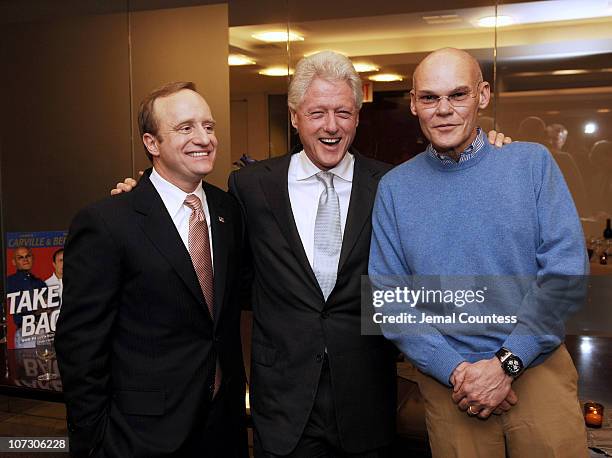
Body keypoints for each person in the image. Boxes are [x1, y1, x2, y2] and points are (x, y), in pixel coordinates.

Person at [111, 51, 509, 457]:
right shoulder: (249, 187)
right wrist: (147, 199)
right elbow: (219, 263)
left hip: (366, 401)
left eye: (344, 112)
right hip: (282, 405)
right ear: (294, 116)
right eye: (317, 112)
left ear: (357, 117)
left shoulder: (393, 184)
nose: (331, 126)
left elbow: (430, 274)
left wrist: (485, 151)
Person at [369, 48, 588, 458]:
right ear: (414, 104)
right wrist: (457, 371)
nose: (444, 110)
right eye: (430, 98)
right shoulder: (395, 189)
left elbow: (564, 273)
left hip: (537, 371)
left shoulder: (531, 164)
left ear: (483, 96)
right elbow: (388, 300)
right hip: (452, 385)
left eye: (459, 94)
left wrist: (507, 363)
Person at [55, 82, 249, 458]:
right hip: (140, 435)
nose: (203, 138)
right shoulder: (109, 222)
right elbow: (80, 345)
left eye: (208, 126)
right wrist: (95, 439)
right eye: (185, 128)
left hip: (222, 428)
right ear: (152, 143)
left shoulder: (229, 211)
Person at [6, 246, 47, 348]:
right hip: (25, 331)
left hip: (43, 330)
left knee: (47, 363)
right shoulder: (9, 282)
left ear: (32, 259)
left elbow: (51, 304)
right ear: (14, 262)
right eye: (20, 257)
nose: (25, 259)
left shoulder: (39, 282)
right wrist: (36, 308)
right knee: (27, 363)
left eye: (27, 256)